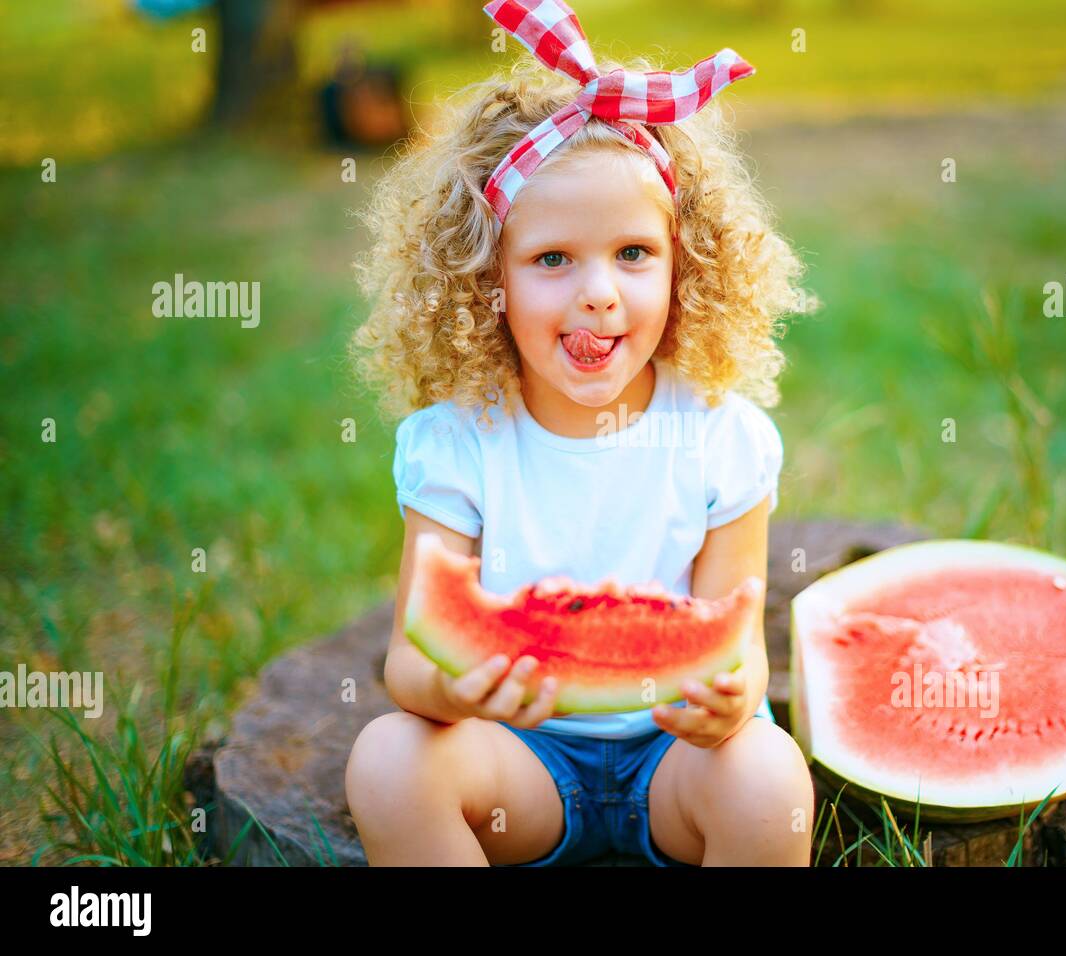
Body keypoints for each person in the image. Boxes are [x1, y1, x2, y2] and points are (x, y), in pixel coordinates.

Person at [345, 0, 820, 867]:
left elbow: (736, 645)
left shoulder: (721, 435)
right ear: (487, 280)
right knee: (386, 760)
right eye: (553, 259)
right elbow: (407, 667)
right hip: (518, 763)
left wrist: (729, 700)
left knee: (769, 778)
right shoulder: (457, 444)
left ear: (688, 266)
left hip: (679, 764)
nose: (599, 292)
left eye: (633, 254)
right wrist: (458, 682)